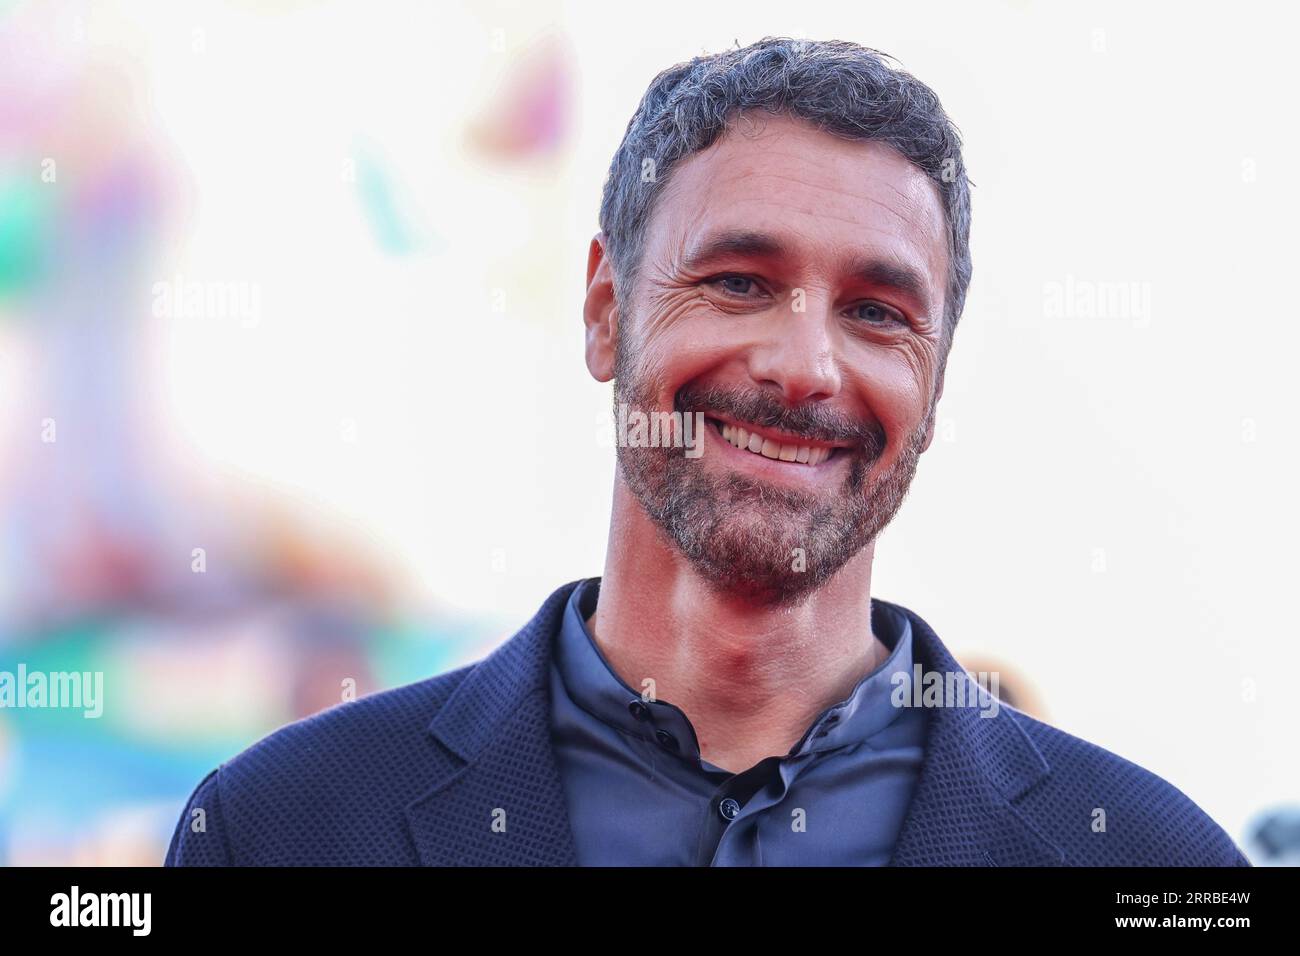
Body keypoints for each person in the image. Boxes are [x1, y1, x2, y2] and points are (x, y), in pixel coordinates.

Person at [166, 36, 1249, 867]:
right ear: (603, 309)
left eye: (877, 312)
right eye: (737, 281)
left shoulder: (1155, 865)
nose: (805, 365)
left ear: (935, 380)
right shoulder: (280, 831)